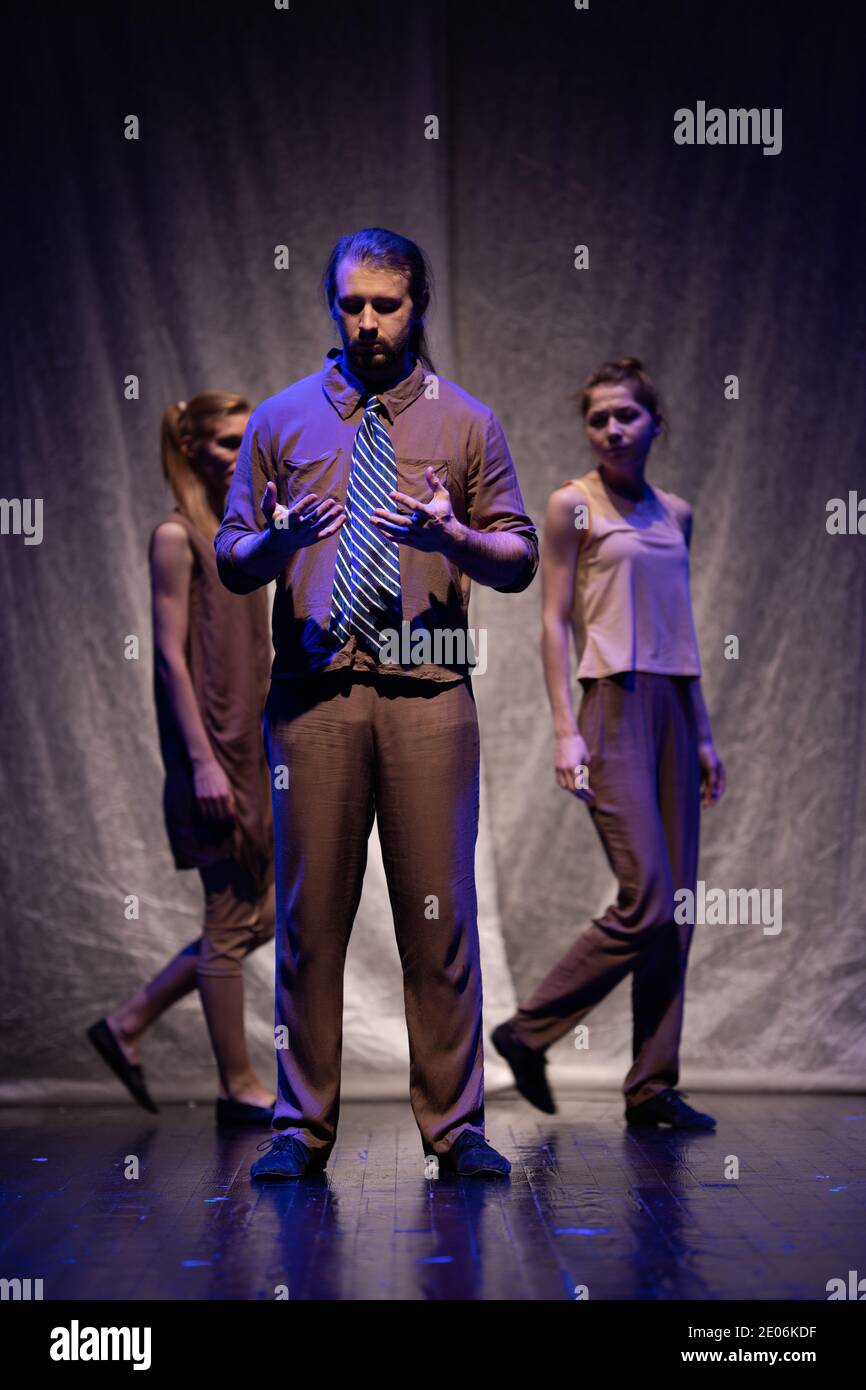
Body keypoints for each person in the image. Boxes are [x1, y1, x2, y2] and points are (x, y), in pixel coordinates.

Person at [214, 227, 539, 1179]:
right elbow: (234, 555)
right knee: (309, 921)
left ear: (417, 307)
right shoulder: (281, 421)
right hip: (313, 692)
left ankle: (456, 1128)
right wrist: (274, 547)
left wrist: (457, 538)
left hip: (427, 683)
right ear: (332, 307)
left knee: (438, 920)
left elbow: (517, 554)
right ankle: (299, 1129)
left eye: (384, 304)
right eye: (350, 304)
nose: (366, 322)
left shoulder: (466, 421)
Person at [492, 357, 726, 1130]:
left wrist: (702, 735)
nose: (613, 429)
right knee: (648, 895)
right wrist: (565, 729)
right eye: (598, 418)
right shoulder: (572, 506)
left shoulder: (677, 513)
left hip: (672, 706)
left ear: (656, 422)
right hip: (611, 703)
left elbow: (679, 627)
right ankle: (528, 1032)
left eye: (626, 415)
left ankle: (652, 1085)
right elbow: (553, 621)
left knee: (677, 909)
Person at [87, 392, 277, 1127]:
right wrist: (202, 762)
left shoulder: (242, 533)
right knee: (231, 918)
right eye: (228, 442)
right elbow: (168, 658)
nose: (240, 453)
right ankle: (238, 1084)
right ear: (193, 446)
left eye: (247, 440)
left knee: (267, 913)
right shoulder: (176, 535)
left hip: (256, 746)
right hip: (215, 749)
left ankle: (131, 1021)